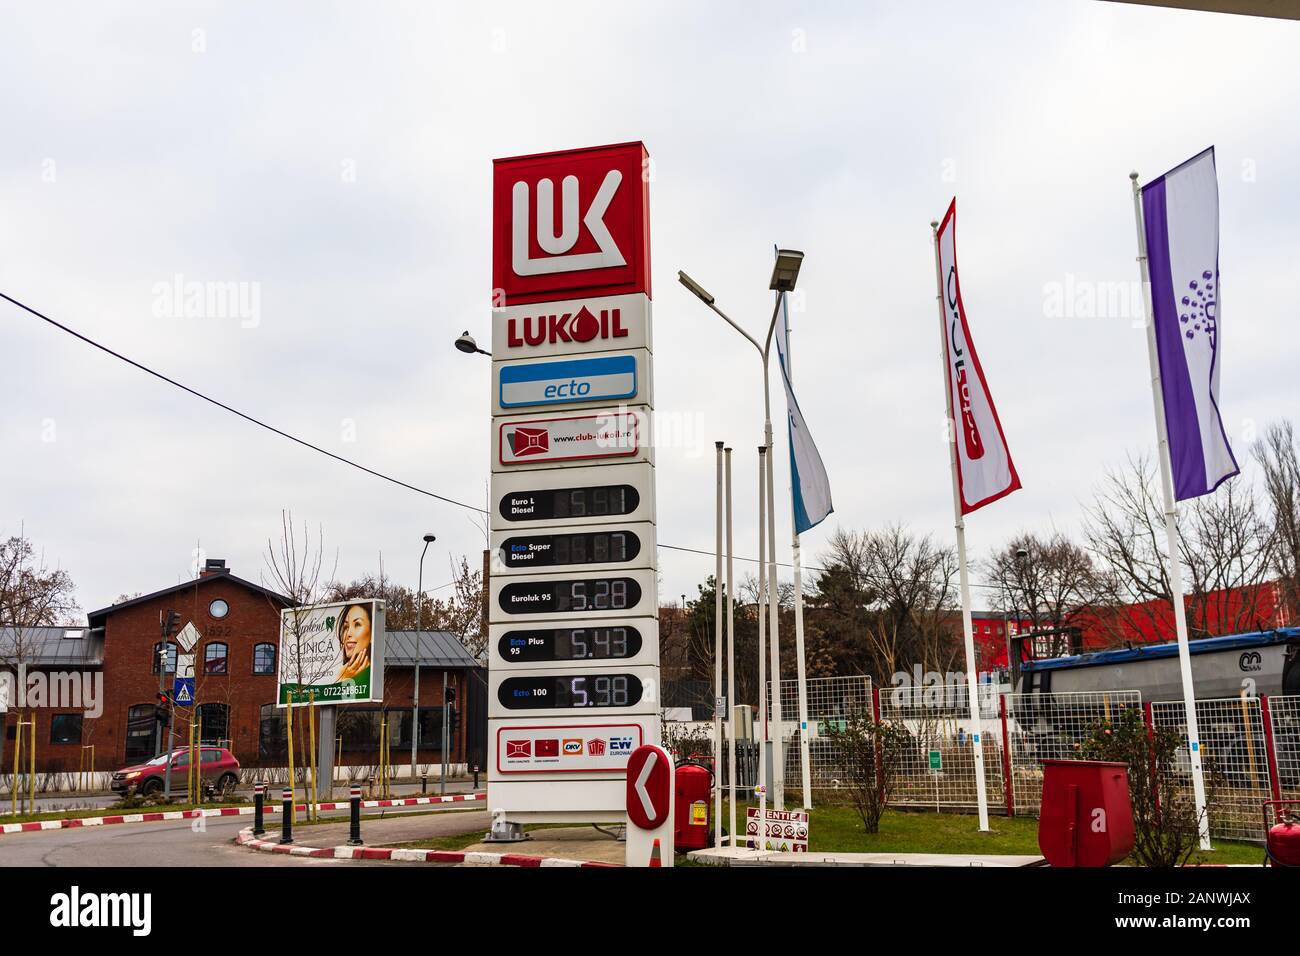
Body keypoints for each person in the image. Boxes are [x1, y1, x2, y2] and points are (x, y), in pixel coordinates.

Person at [335, 603, 373, 685]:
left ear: (372, 633)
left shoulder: (372, 678)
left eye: (357, 624)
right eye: (346, 627)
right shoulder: (341, 673)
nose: (348, 633)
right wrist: (341, 679)